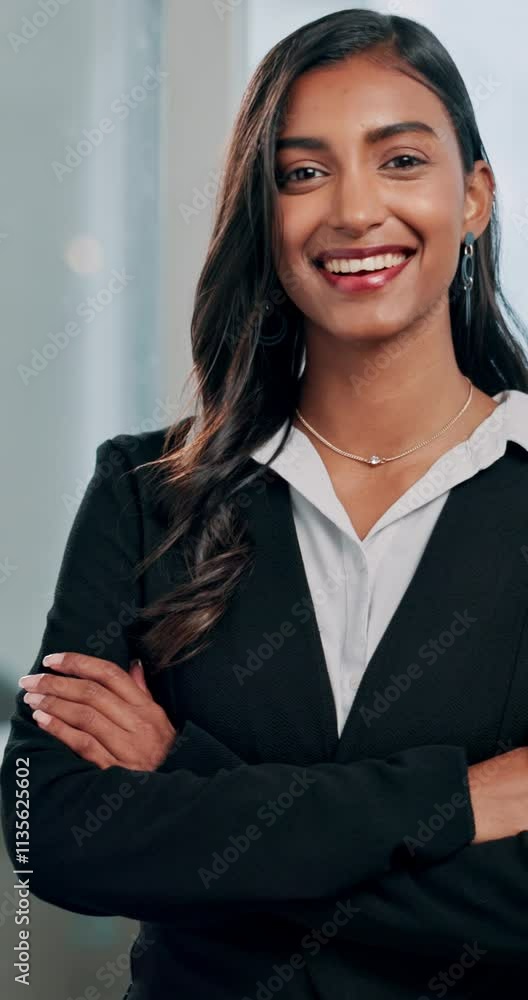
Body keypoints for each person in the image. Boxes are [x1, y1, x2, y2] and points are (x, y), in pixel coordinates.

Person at [2, 9, 528, 999]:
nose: (354, 211)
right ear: (264, 211)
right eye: (303, 172)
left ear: (475, 197)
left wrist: (183, 775)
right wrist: (464, 801)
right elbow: (54, 832)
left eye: (401, 160)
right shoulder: (146, 493)